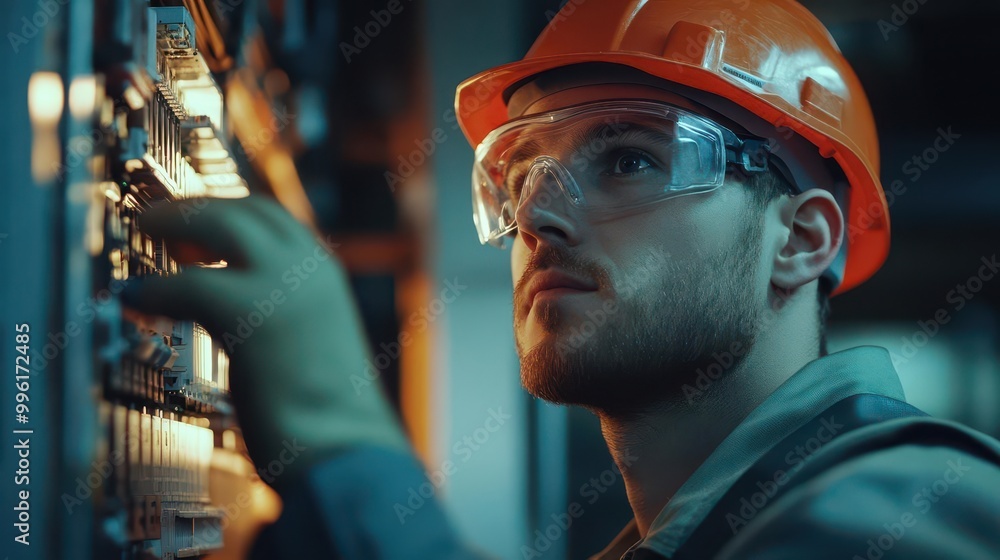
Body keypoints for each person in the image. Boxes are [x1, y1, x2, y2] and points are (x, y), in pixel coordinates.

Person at [122, 0, 1000, 558]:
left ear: (802, 241)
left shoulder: (905, 507)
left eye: (627, 158)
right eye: (518, 176)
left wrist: (339, 438)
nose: (536, 218)